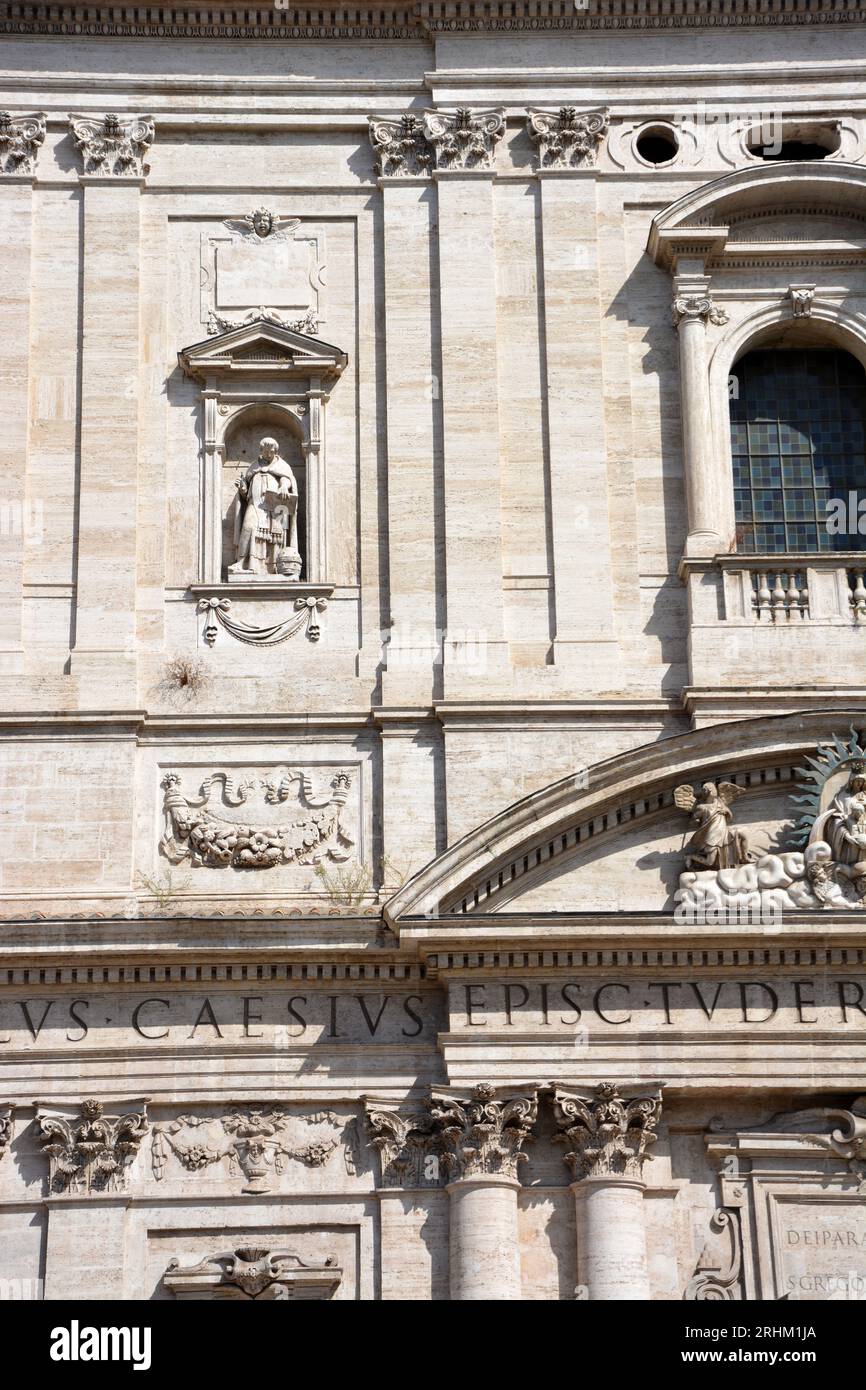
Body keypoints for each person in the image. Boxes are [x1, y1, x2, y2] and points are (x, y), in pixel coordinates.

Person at [229, 436, 299, 577]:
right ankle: (242, 562)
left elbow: (287, 479)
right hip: (255, 503)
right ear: (261, 450)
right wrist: (242, 488)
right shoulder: (254, 466)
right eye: (266, 451)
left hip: (276, 505)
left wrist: (284, 486)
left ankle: (274, 566)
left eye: (271, 451)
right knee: (248, 527)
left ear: (275, 451)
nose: (268, 454)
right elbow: (245, 491)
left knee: (276, 533)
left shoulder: (282, 465)